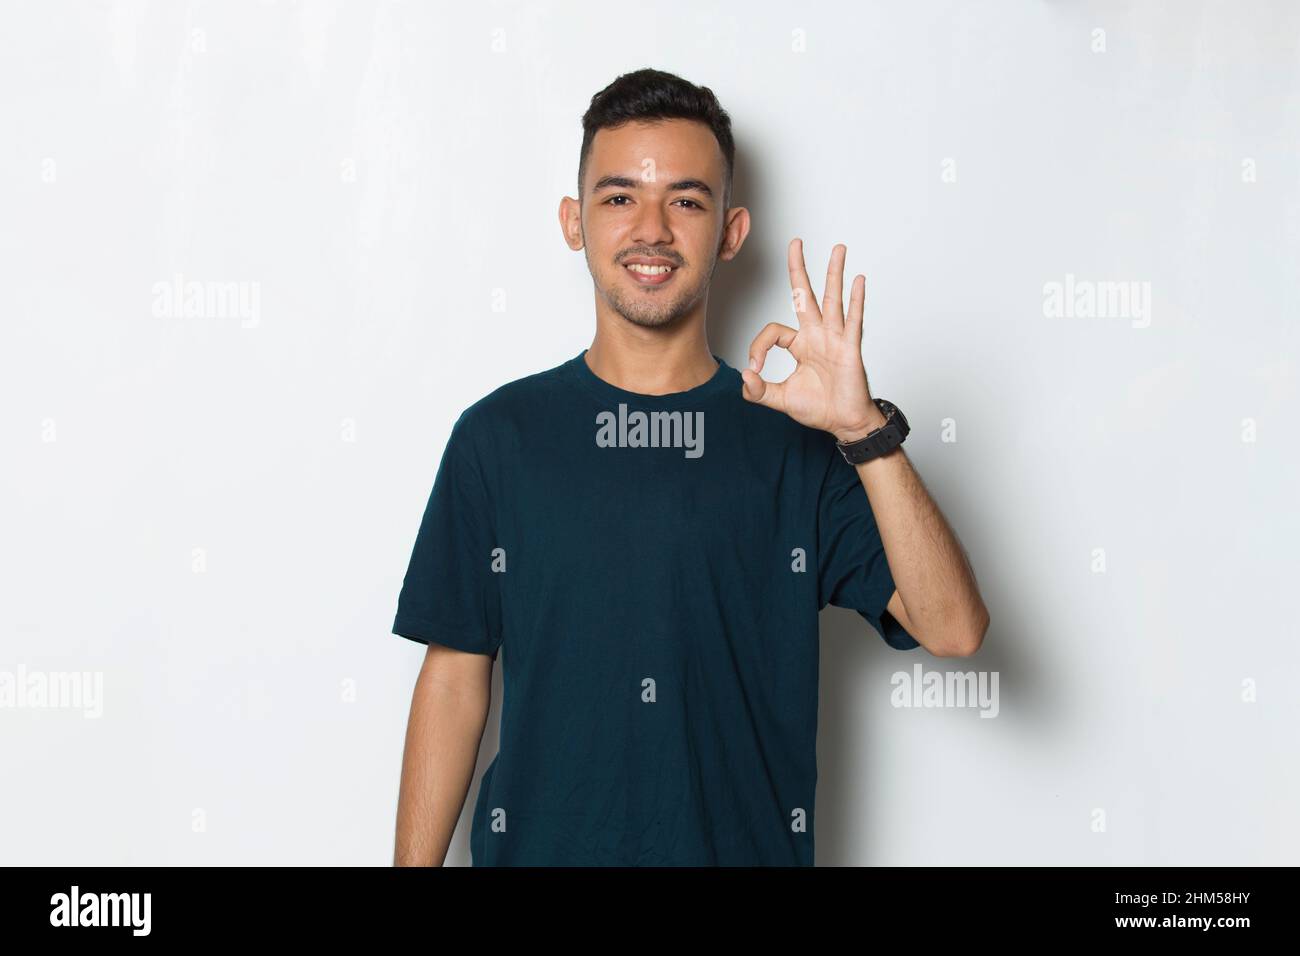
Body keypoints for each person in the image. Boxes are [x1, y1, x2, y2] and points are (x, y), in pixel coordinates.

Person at [391, 68, 989, 866]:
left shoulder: (798, 442)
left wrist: (863, 428)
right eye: (617, 198)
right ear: (574, 222)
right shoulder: (499, 437)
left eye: (685, 200)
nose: (651, 229)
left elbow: (953, 628)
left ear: (731, 232)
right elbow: (455, 677)